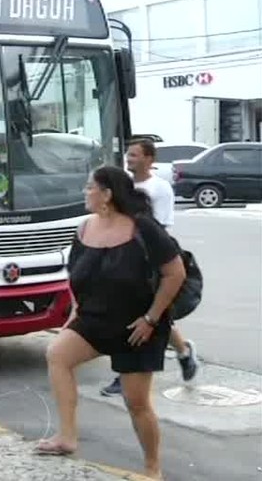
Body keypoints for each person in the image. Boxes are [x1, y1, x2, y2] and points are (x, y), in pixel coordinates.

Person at [38, 166, 185, 479]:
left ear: (106, 194)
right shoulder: (83, 229)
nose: (85, 192)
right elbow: (77, 275)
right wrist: (75, 312)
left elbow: (176, 274)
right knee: (57, 354)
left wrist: (151, 318)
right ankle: (66, 436)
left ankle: (152, 469)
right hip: (94, 319)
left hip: (138, 327)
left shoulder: (143, 228)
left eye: (90, 187)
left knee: (136, 403)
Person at [102, 139, 199, 397]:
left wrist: (152, 262)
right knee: (146, 316)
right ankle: (184, 352)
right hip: (123, 256)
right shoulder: (123, 185)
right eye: (128, 154)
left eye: (134, 155)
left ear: (149, 159)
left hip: (149, 261)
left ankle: (126, 376)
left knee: (141, 315)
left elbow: (163, 229)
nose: (128, 159)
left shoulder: (160, 188)